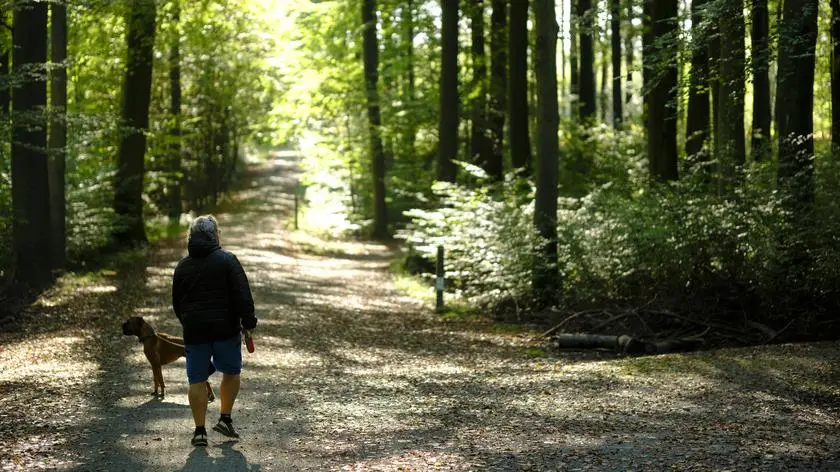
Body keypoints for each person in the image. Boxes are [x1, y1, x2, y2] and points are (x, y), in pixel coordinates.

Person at [172, 215, 257, 447]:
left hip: (195, 333)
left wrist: (188, 322)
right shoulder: (228, 260)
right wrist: (249, 322)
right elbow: (242, 294)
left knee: (196, 380)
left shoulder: (182, 266)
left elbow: (177, 303)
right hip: (225, 330)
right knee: (231, 372)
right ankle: (224, 418)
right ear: (216, 235)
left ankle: (199, 432)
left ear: (191, 237)